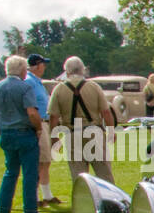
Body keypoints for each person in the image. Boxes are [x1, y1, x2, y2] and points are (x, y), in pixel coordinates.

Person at [0, 55, 43, 213]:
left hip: (7, 133)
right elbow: (32, 113)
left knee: (10, 172)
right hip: (24, 133)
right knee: (30, 173)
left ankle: (3, 209)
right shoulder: (25, 88)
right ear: (22, 70)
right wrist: (38, 128)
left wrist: (2, 125)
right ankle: (30, 210)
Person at [47, 55, 116, 184]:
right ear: (82, 69)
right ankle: (110, 201)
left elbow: (53, 117)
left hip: (72, 134)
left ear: (67, 71)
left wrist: (54, 138)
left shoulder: (59, 89)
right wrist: (111, 131)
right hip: (94, 132)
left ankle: (83, 201)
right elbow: (106, 112)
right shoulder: (94, 87)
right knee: (104, 174)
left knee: (79, 177)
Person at [25, 54, 60, 206]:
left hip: (44, 122)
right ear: (37, 65)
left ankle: (47, 194)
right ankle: (37, 196)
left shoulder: (37, 82)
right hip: (38, 123)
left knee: (46, 160)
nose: (44, 67)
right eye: (43, 64)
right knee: (40, 161)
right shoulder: (29, 82)